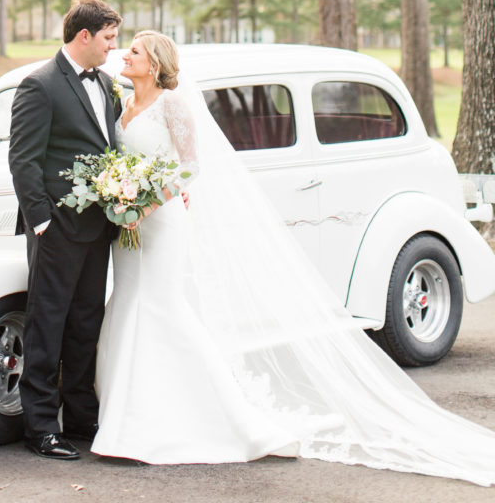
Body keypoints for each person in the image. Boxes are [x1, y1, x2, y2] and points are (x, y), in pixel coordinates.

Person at [91, 29, 495, 486]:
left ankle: (202, 416)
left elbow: (190, 165)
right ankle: (126, 412)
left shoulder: (173, 105)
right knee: (128, 304)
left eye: (135, 51)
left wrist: (148, 203)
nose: (125, 55)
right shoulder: (124, 103)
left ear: (155, 63)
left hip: (159, 221)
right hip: (130, 226)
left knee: (163, 308)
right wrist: (121, 195)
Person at [8, 0, 122, 460]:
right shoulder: (40, 85)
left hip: (98, 228)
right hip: (55, 229)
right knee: (47, 324)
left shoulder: (108, 84)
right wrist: (41, 222)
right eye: (108, 38)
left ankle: (79, 417)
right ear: (84, 36)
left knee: (85, 324)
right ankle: (39, 426)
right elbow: (23, 160)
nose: (113, 47)